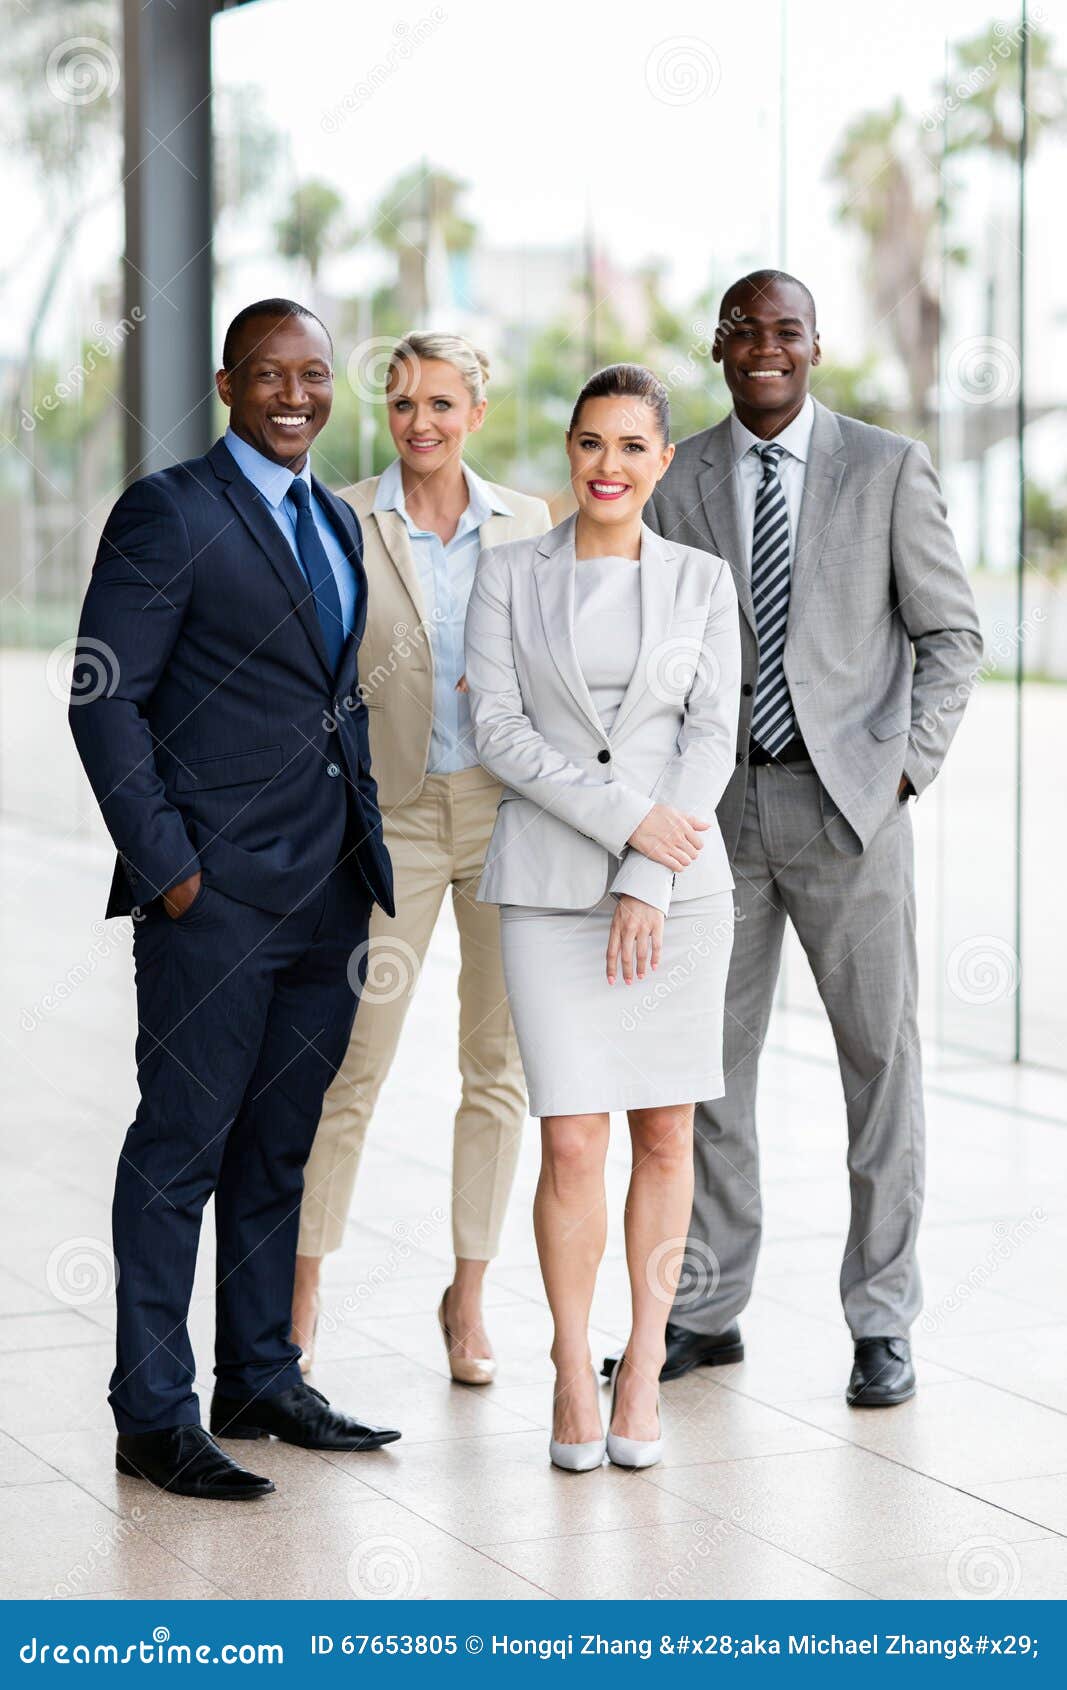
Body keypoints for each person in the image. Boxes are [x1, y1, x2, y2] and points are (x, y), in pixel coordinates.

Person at [607, 269, 982, 1407]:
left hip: (848, 813)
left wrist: (904, 764)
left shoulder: (886, 467)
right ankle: (707, 1308)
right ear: (717, 348)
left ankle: (879, 1317)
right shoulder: (684, 478)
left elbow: (950, 634)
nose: (763, 349)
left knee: (879, 1064)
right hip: (715, 818)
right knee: (706, 1071)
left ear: (814, 344)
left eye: (784, 331)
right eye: (741, 332)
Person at [68, 298, 401, 1501]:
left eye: (313, 374)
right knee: (180, 1151)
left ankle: (258, 1374)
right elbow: (102, 697)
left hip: (328, 892)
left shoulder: (332, 519)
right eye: (270, 374)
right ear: (227, 385)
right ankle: (151, 1410)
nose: (296, 394)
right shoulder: (170, 511)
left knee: (279, 1149)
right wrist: (171, 868)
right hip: (211, 899)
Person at [464, 365, 741, 1470]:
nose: (607, 466)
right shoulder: (506, 577)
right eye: (588, 444)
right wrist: (630, 825)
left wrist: (648, 873)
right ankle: (572, 1367)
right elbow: (498, 730)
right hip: (544, 889)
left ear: (661, 461)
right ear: (567, 454)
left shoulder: (702, 582)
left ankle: (641, 1368)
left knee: (665, 1130)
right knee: (573, 1138)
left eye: (631, 446)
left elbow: (709, 735)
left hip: (677, 892)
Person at [293, 332, 550, 1382]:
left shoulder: (529, 525)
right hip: (388, 819)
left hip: (502, 817)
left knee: (498, 1070)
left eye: (441, 403)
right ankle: (296, 1304)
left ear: (474, 413)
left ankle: (469, 1298)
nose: (420, 423)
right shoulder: (343, 518)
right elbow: (309, 666)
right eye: (402, 404)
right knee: (350, 1063)